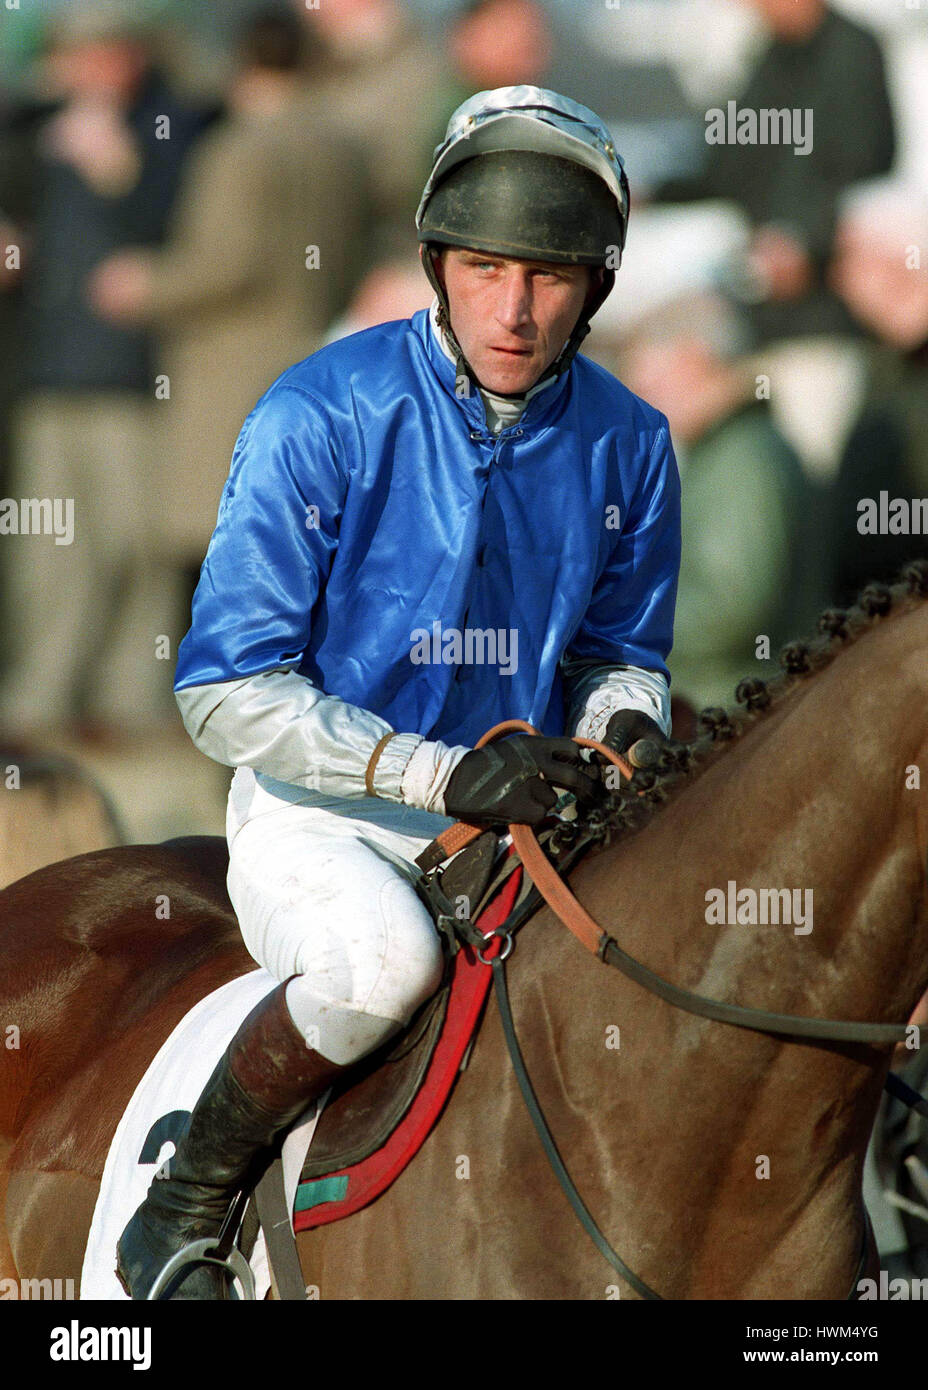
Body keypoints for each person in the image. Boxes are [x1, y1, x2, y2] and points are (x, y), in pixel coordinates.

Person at [116, 86, 681, 1300]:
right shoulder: (317, 410)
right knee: (381, 965)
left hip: (524, 817)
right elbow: (222, 691)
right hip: (319, 817)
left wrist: (623, 723)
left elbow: (624, 654)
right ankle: (181, 1211)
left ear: (598, 285)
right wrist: (435, 772)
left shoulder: (631, 439)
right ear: (436, 262)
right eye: (484, 269)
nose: (515, 311)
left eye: (550, 276)